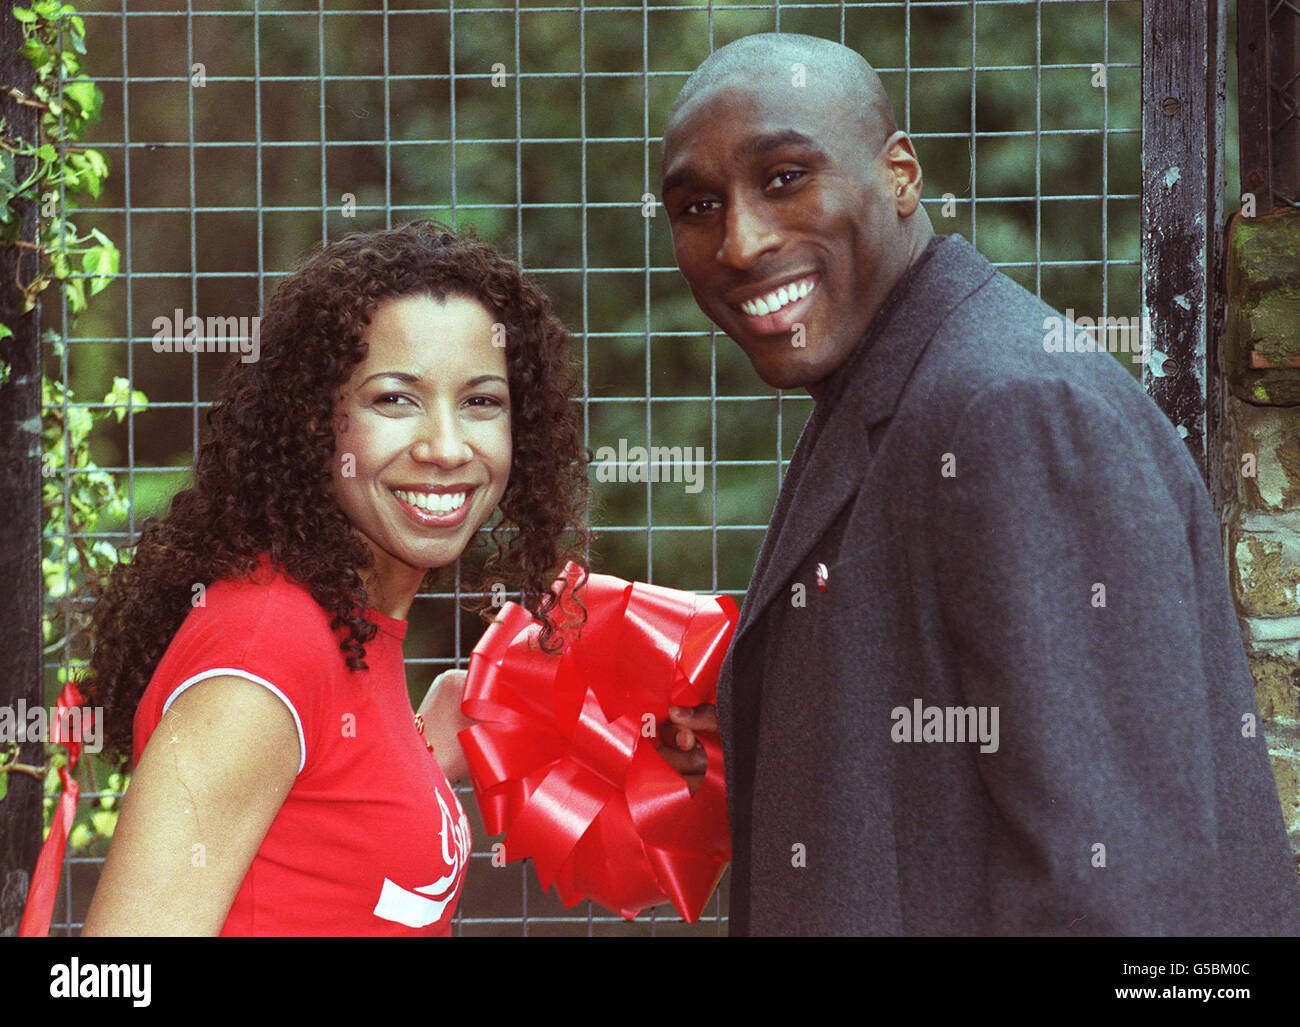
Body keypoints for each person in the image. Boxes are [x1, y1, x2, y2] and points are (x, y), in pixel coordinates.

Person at [659, 33, 1300, 935]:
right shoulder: (893, 381)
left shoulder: (1013, 409)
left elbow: (1122, 896)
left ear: (901, 175)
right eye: (696, 206)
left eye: (784, 178)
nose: (740, 240)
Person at [80, 222, 589, 935]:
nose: (446, 446)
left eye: (481, 401)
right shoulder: (267, 647)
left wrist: (420, 748)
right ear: (316, 422)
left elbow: (317, 854)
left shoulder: (349, 622)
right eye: (393, 399)